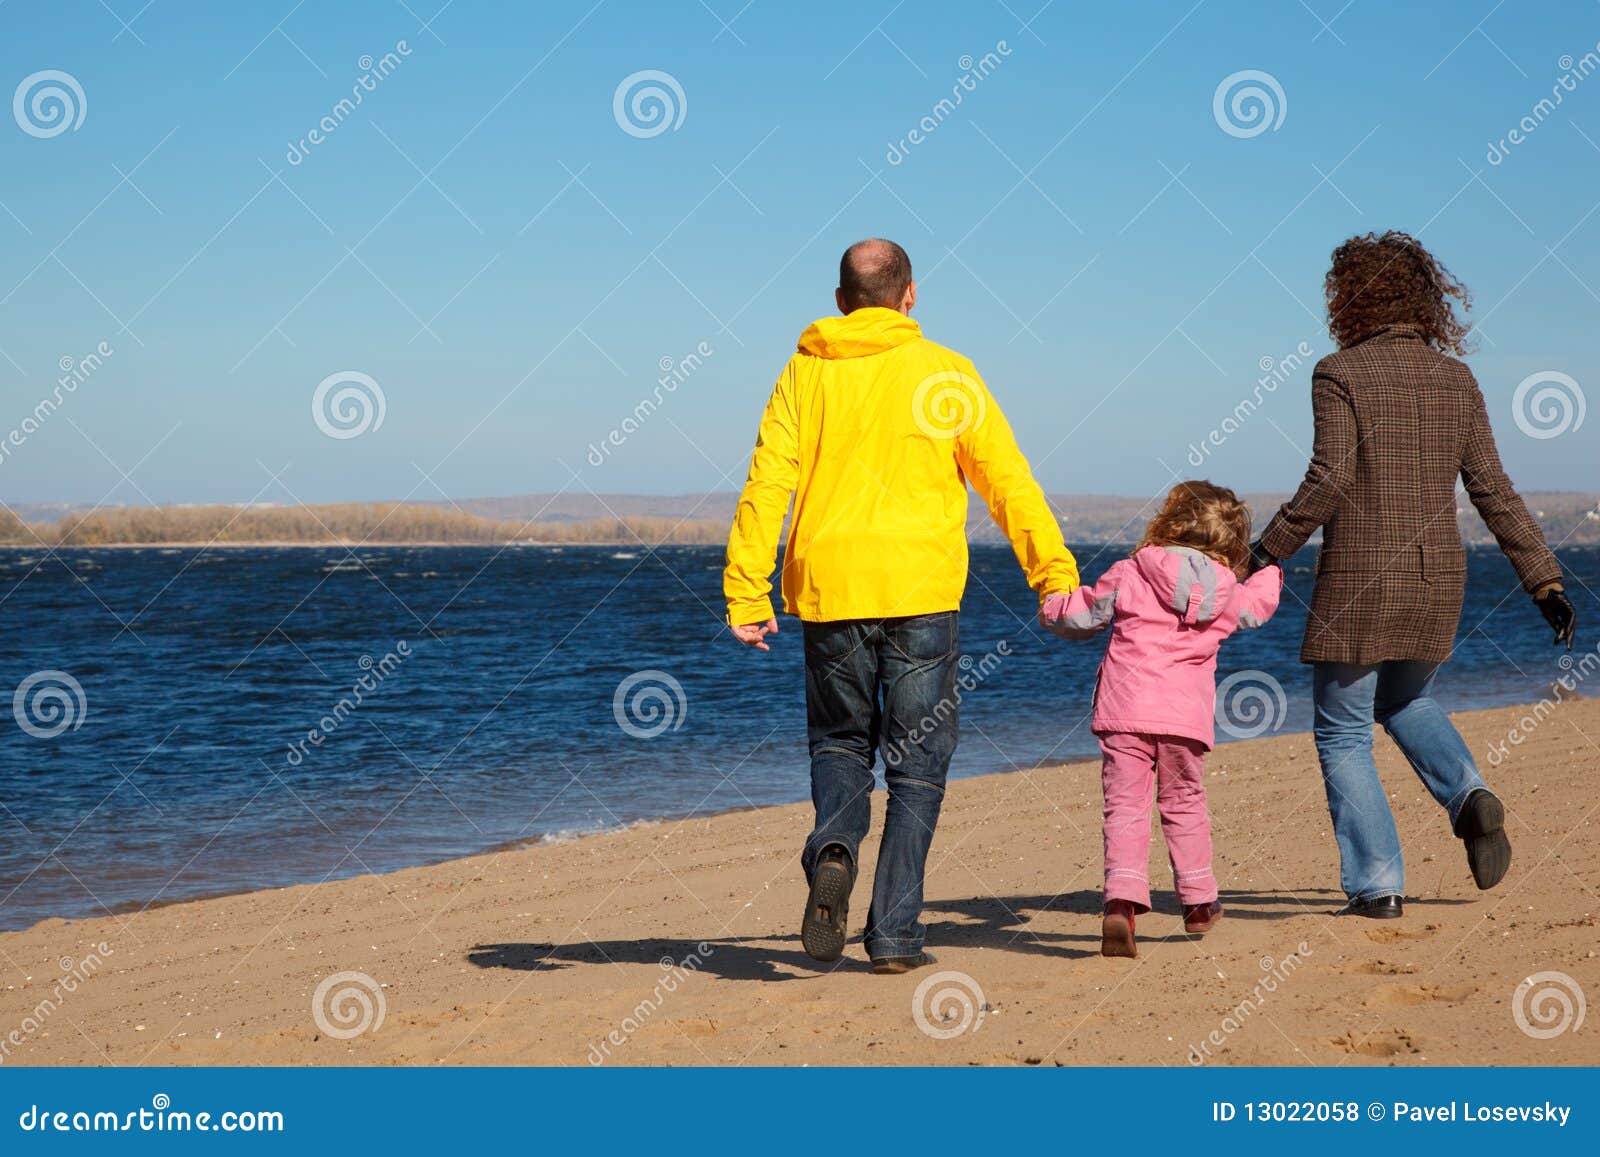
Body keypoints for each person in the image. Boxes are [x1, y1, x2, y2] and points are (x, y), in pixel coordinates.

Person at [724, 238, 1079, 973]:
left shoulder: (803, 373)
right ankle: (893, 935)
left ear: (840, 301)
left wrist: (746, 590)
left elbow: (767, 485)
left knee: (840, 743)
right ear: (909, 295)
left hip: (830, 589)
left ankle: (833, 847)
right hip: (920, 591)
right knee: (919, 763)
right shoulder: (946, 373)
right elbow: (1008, 481)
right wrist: (1052, 574)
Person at [1251, 231, 1578, 919]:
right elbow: (1493, 488)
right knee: (1403, 700)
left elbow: (1328, 479)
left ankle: (1377, 884)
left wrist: (1266, 550)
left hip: (1359, 583)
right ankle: (1467, 795)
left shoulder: (1338, 371)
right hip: (1438, 583)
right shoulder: (1455, 378)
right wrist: (1543, 580)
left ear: (1349, 297)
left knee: (1343, 733)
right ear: (1426, 298)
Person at [1042, 482, 1281, 957]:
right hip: (1185, 720)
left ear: (1169, 521)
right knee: (1185, 802)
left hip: (1124, 713)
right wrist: (1271, 568)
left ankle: (1122, 906)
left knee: (1125, 808)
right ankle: (1197, 903)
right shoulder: (1228, 590)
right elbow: (1258, 608)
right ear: (1228, 539)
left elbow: (1080, 617)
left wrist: (1052, 598)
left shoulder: (1131, 571)